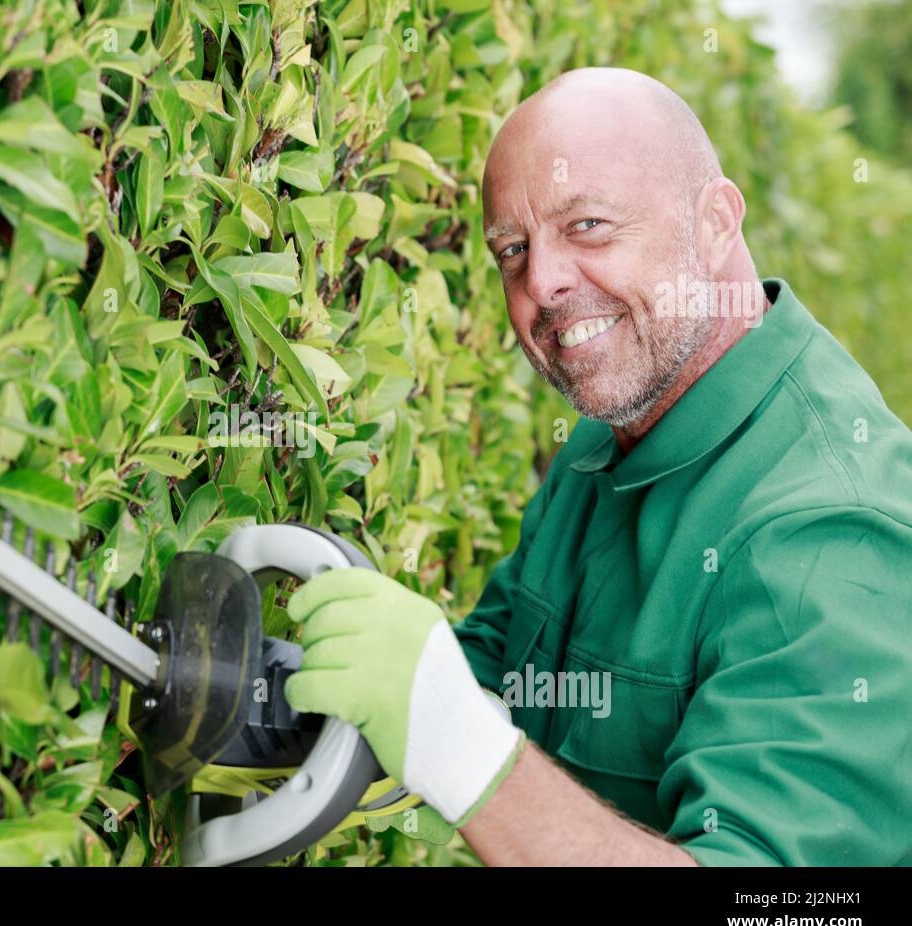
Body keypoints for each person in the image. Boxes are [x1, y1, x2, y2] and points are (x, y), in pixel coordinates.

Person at [283, 67, 912, 865]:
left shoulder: (834, 534)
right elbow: (499, 675)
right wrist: (287, 701)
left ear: (715, 222)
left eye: (587, 226)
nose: (542, 282)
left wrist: (464, 752)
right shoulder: (617, 427)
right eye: (512, 249)